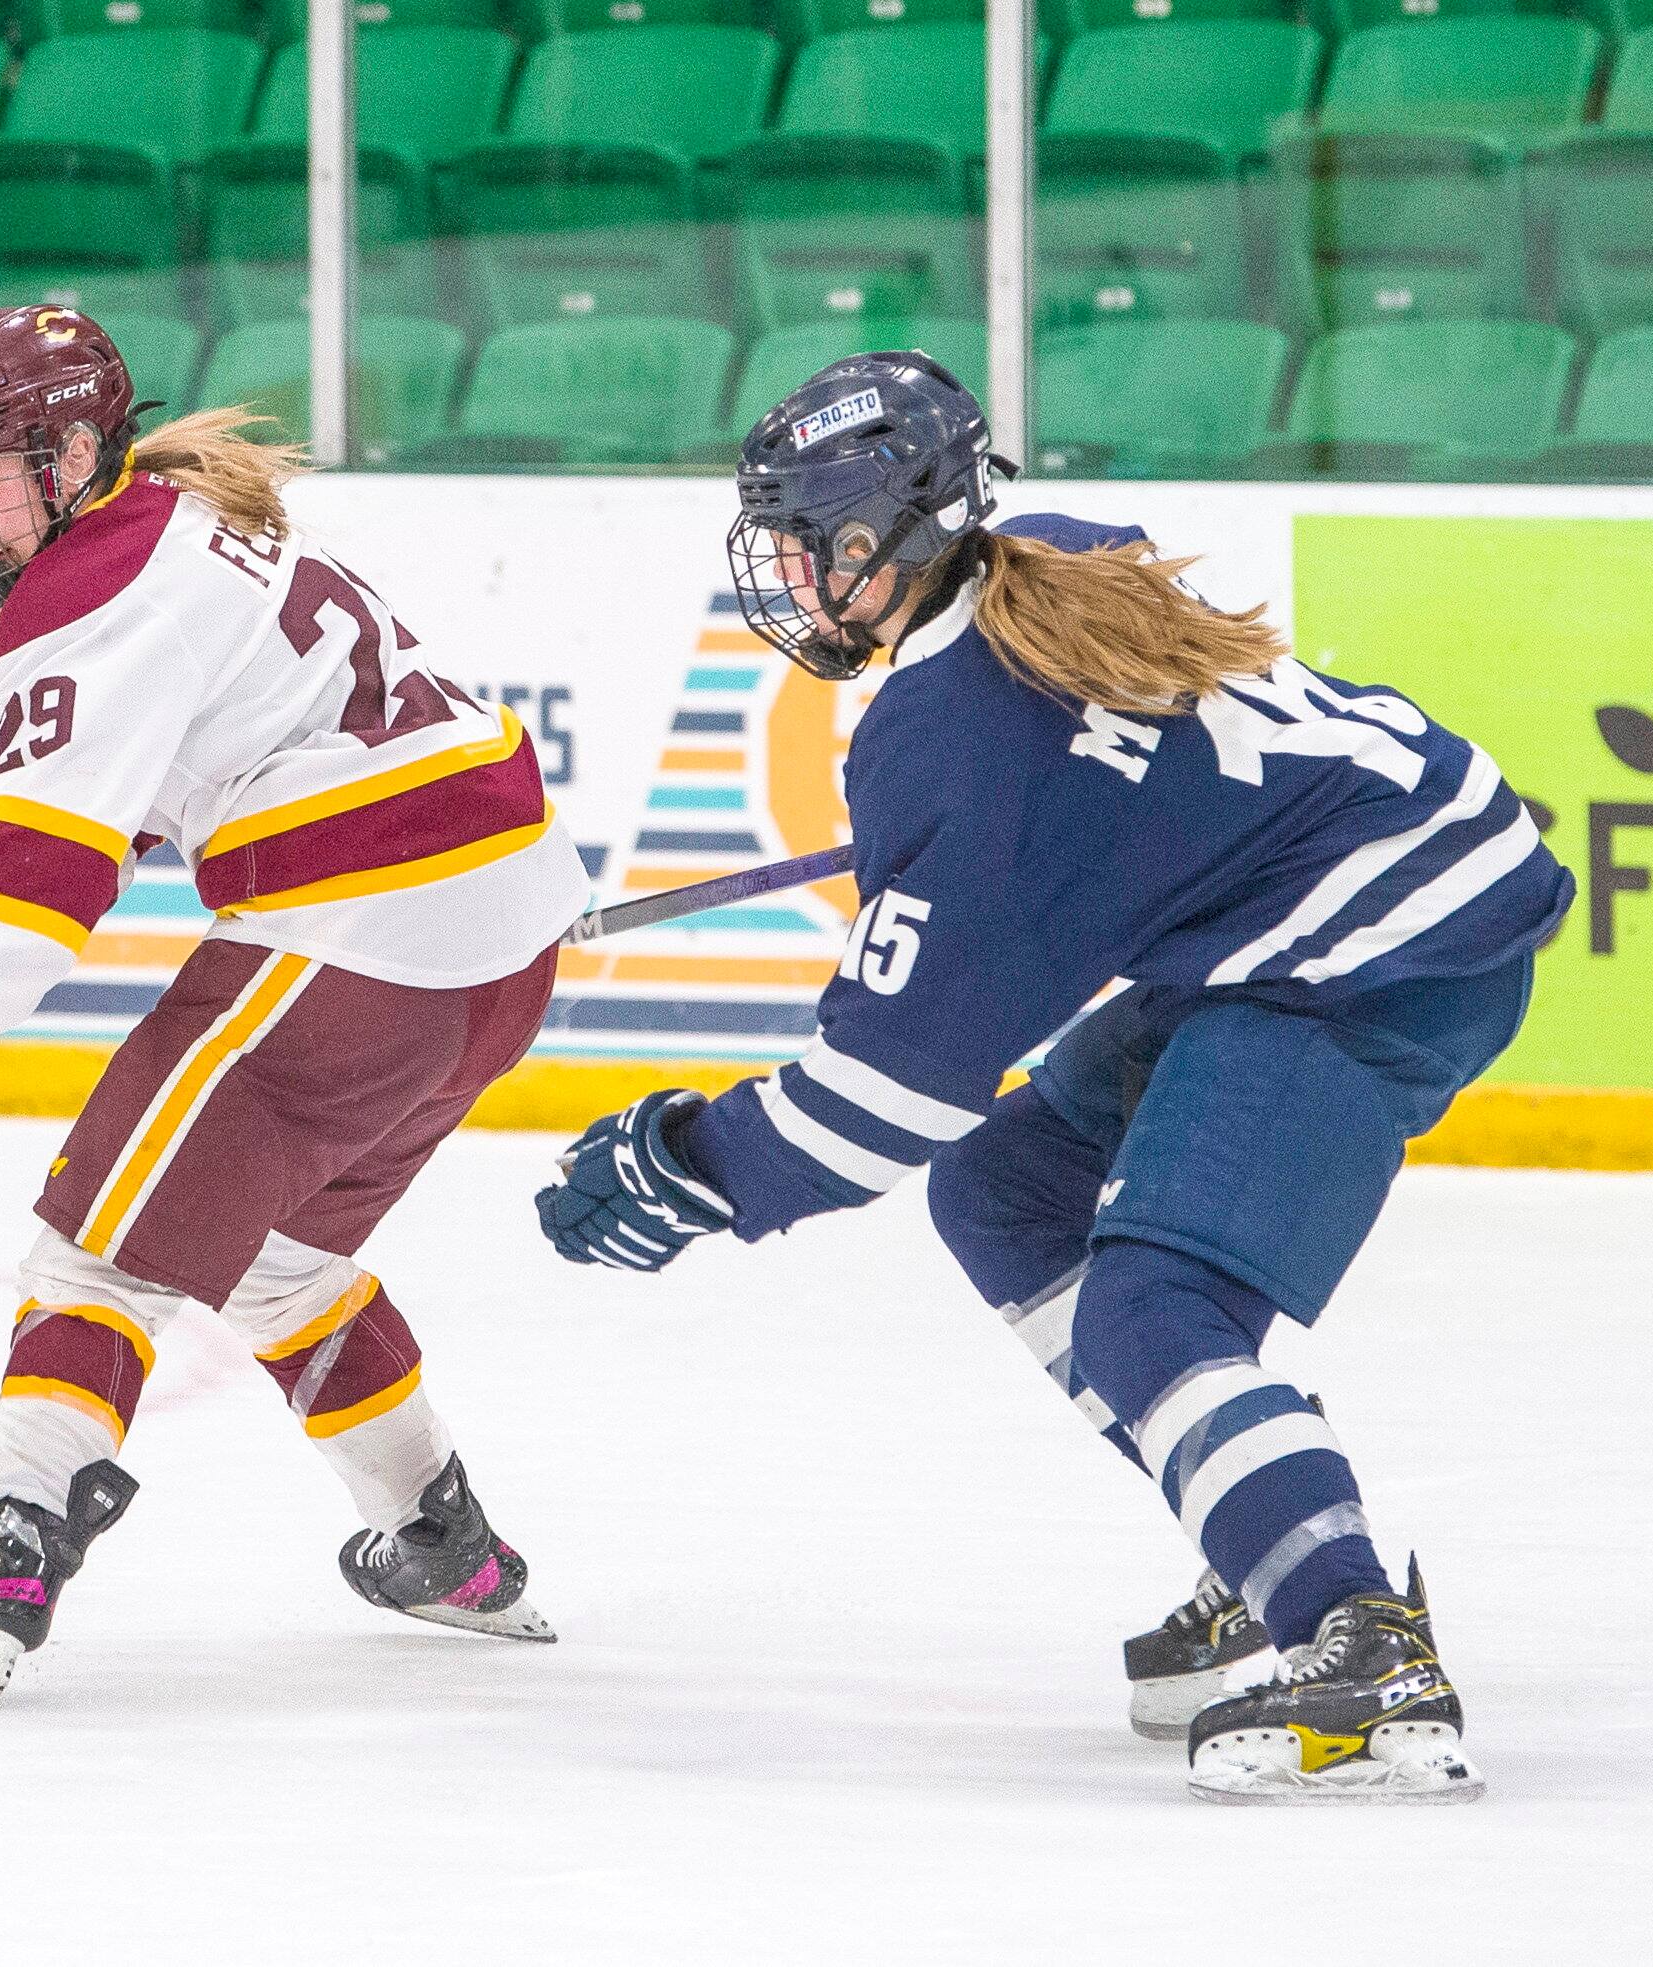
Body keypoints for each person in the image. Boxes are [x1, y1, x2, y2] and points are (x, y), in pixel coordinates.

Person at [534, 352, 1571, 1804]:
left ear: (875, 540)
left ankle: (1354, 1632)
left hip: (1380, 945)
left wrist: (687, 1164)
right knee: (1010, 1187)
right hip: (1371, 868)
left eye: (798, 543)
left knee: (1157, 1297)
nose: (781, 579)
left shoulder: (952, 743)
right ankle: (1258, 1535)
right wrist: (999, 815)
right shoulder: (1045, 562)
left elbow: (874, 1112)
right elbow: (1113, 782)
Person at [0, 305, 590, 1702]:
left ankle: (7, 1569)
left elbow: (41, 850)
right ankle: (440, 1540)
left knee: (95, 1256)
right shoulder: (187, 516)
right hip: (504, 940)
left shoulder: (98, 575)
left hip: (365, 929)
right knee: (281, 1259)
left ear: (74, 452)